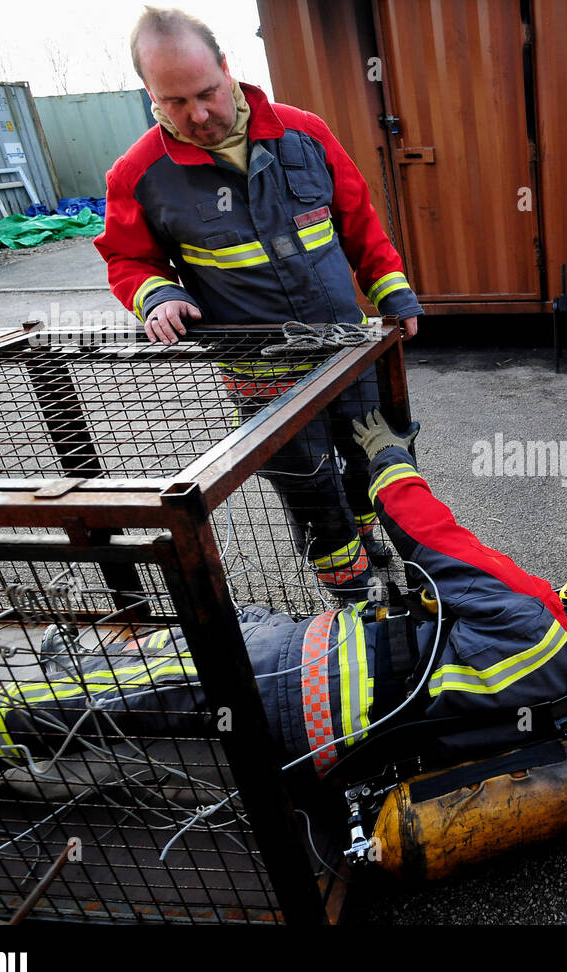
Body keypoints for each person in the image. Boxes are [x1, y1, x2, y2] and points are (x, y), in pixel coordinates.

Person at [0, 411, 567, 781]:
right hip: (337, 747)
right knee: (211, 636)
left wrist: (388, 458)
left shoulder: (531, 610)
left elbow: (431, 532)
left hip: (298, 682)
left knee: (141, 687)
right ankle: (48, 671)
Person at [94, 7, 422, 601]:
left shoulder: (304, 134)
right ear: (149, 94)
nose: (197, 115)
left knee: (374, 460)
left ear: (226, 68)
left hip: (349, 356)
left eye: (206, 93)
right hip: (262, 377)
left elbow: (358, 222)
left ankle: (377, 544)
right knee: (309, 488)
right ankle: (352, 597)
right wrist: (156, 295)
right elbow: (127, 259)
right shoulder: (140, 175)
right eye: (174, 102)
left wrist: (391, 290)